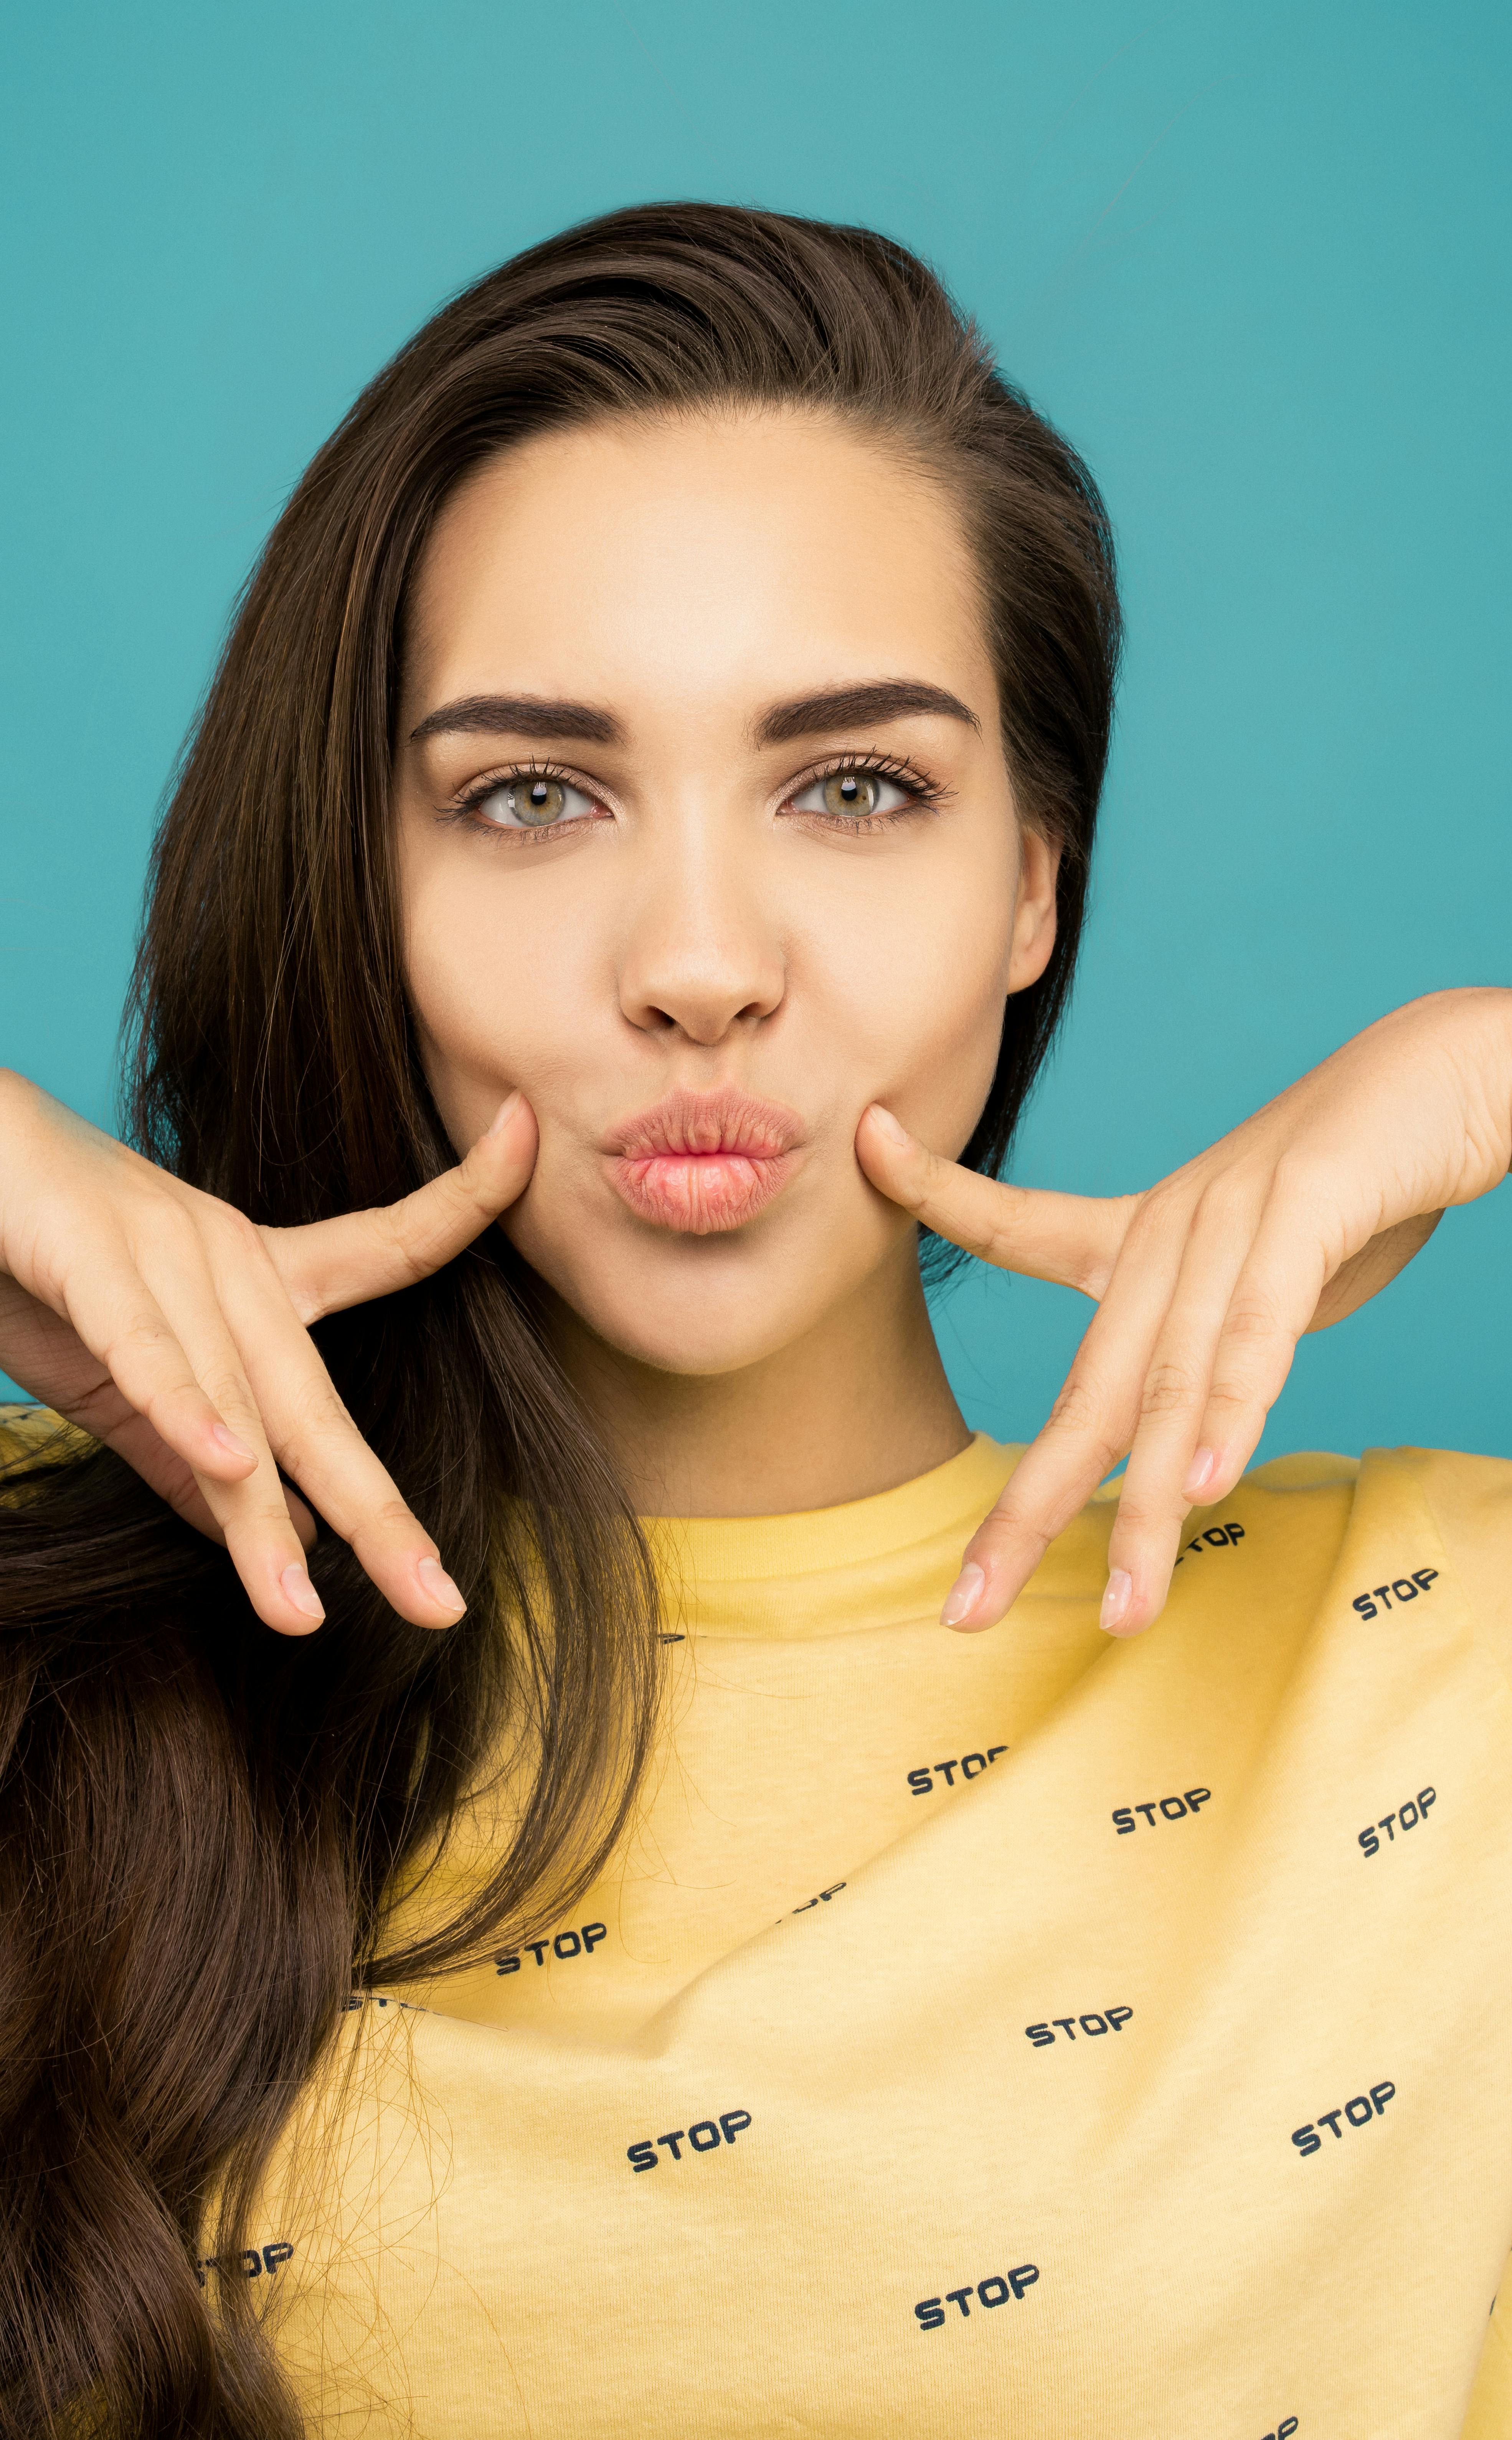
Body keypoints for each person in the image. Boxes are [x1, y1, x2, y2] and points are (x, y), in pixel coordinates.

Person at [0, 202, 1507, 2440]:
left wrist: (1486, 1060)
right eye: (531, 796)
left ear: (1034, 884)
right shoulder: (55, 1634)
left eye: (854, 788)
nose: (699, 966)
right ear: (364, 880)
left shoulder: (1439, 1650)